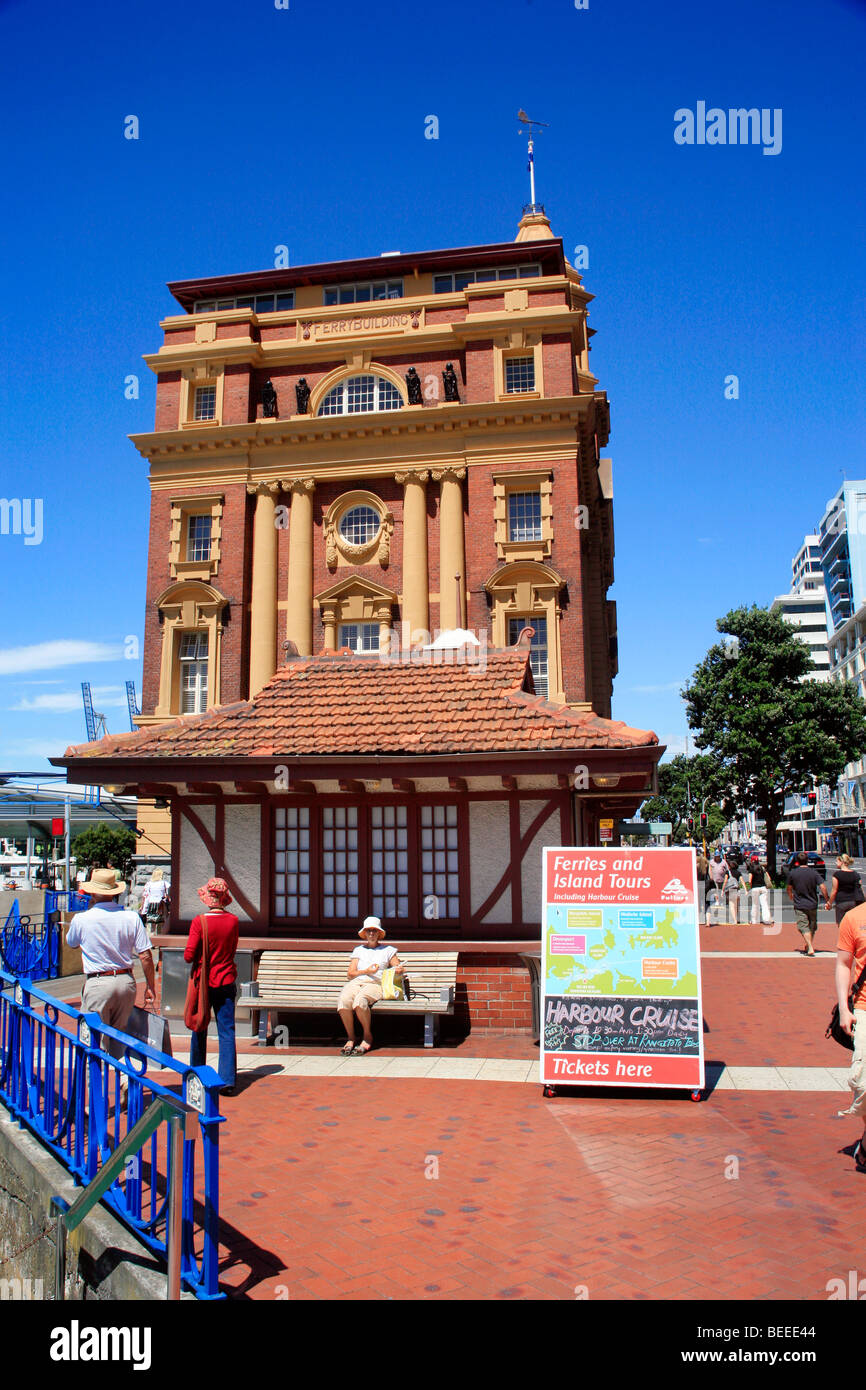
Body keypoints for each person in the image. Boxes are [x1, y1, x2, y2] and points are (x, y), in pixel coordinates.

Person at [66, 867, 156, 1058]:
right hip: (125, 981)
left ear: (92, 892)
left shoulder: (82, 919)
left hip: (98, 981)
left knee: (93, 1040)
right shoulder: (131, 917)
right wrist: (150, 986)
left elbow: (71, 942)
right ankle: (121, 1078)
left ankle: (95, 1085)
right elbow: (146, 955)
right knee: (119, 1036)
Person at [184, 878, 240, 1094]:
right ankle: (227, 1079)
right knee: (227, 1030)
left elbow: (190, 955)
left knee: (199, 1027)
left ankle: (197, 1073)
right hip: (226, 978)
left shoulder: (200, 921)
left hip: (204, 981)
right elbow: (233, 947)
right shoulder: (233, 921)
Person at [337, 916, 406, 1055]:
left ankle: (367, 1036)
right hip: (357, 982)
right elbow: (350, 974)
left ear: (379, 933)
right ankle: (351, 1037)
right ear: (365, 933)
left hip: (376, 983)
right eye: (369, 931)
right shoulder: (359, 950)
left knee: (360, 1002)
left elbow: (398, 967)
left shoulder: (388, 950)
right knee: (343, 1001)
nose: (371, 934)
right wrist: (366, 971)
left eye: (374, 931)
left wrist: (398, 969)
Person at [835, 897, 866, 1170]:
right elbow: (844, 964)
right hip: (865, 1008)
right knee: (864, 1084)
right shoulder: (854, 918)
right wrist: (844, 1009)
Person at [786, 850, 830, 956]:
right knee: (812, 926)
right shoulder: (813, 873)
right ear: (807, 861)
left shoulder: (793, 873)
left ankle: (809, 946)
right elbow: (823, 886)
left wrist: (790, 895)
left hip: (800, 903)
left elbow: (789, 887)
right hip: (812, 902)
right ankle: (809, 944)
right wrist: (827, 899)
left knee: (803, 926)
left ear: (797, 861)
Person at [827, 853, 864, 925]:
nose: (836, 863)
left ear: (842, 862)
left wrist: (829, 903)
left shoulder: (837, 875)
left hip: (841, 902)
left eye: (837, 861)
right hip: (853, 902)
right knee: (853, 924)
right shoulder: (855, 874)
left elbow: (834, 891)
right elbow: (860, 889)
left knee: (841, 924)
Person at [747, 855, 773, 926]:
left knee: (755, 904)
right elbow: (769, 878)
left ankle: (754, 920)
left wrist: (751, 886)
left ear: (752, 861)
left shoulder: (751, 869)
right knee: (764, 904)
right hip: (763, 887)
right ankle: (767, 920)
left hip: (755, 888)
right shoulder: (762, 868)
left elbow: (749, 880)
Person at [706, 852, 728, 926]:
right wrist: (711, 876)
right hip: (714, 879)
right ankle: (718, 900)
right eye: (716, 856)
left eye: (718, 856)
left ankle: (721, 900)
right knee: (716, 891)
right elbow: (709, 869)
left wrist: (726, 875)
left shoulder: (723, 862)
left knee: (722, 890)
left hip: (722, 878)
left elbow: (727, 869)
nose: (717, 858)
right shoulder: (711, 862)